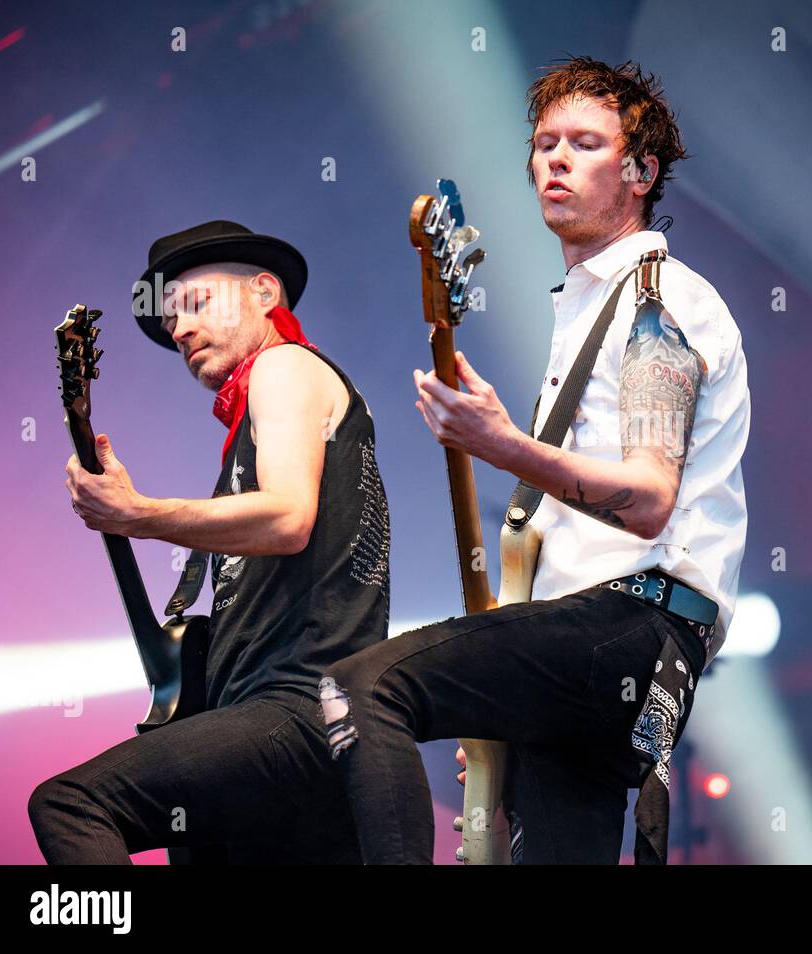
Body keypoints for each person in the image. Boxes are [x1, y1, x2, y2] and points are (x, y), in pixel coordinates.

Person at [321, 56, 749, 864]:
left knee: (358, 688)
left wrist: (504, 444)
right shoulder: (592, 303)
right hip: (600, 648)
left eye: (585, 142)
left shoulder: (658, 298)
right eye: (545, 142)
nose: (554, 157)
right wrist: (503, 689)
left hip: (629, 625)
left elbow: (651, 499)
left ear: (640, 171)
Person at [29, 221, 391, 863]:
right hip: (297, 729)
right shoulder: (252, 428)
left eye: (195, 304)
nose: (179, 329)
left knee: (72, 803)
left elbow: (286, 518)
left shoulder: (284, 366)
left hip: (298, 705)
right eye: (169, 322)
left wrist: (137, 513)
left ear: (263, 292)